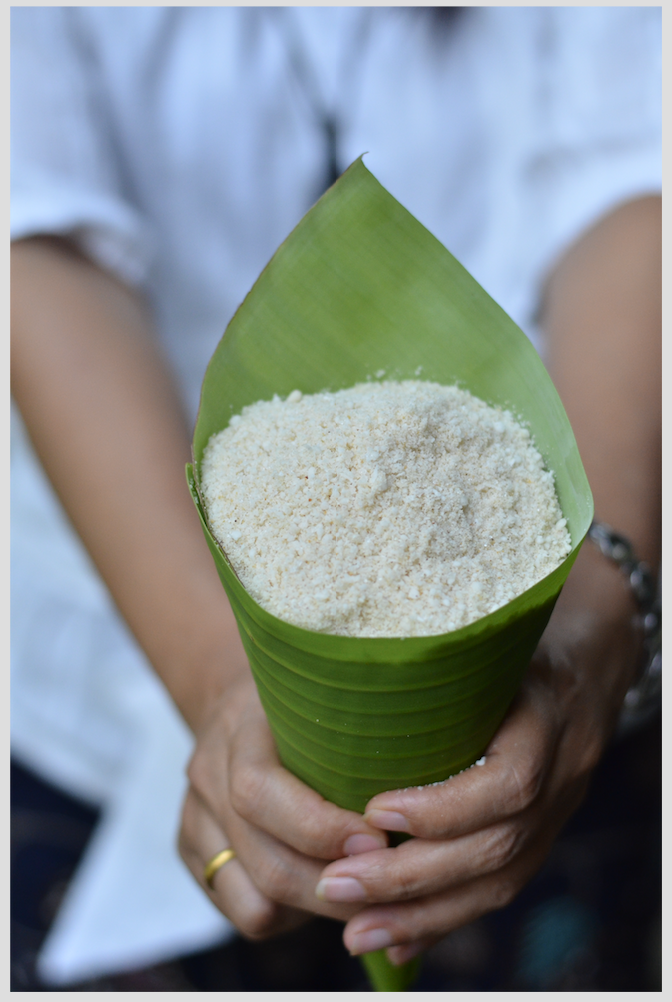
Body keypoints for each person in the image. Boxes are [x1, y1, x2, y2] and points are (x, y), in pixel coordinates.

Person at [11, 5, 661, 985]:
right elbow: (36, 244)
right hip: (106, 644)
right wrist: (223, 682)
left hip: (547, 672)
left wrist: (599, 615)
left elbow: (638, 182)